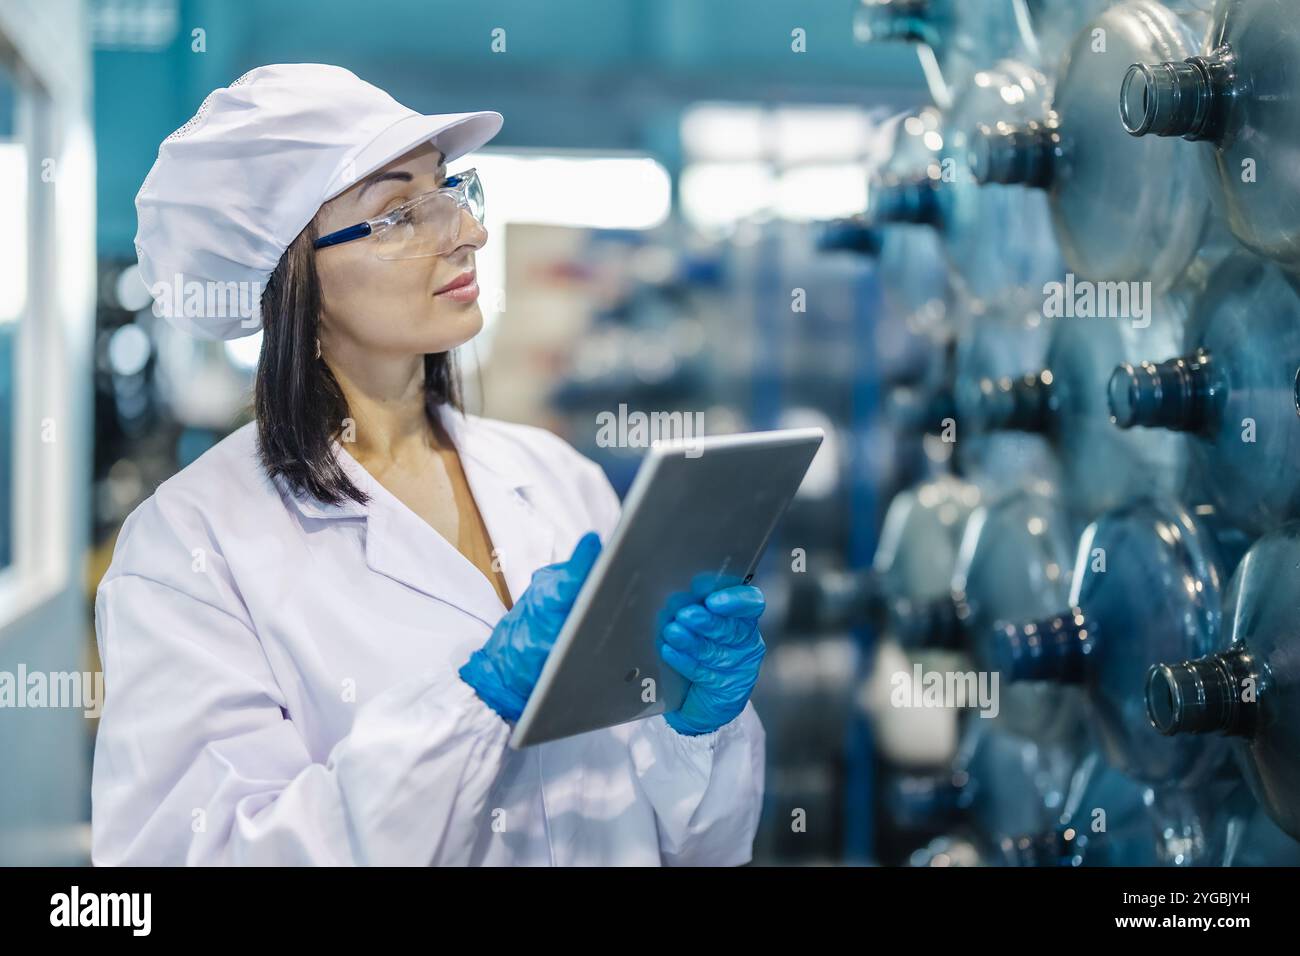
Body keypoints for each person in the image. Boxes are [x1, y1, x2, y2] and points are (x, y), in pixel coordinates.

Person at [90, 64, 768, 866]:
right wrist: (474, 705)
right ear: (291, 275)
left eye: (449, 191)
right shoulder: (190, 549)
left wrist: (697, 726)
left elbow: (692, 845)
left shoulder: (557, 478)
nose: (467, 233)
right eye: (401, 212)